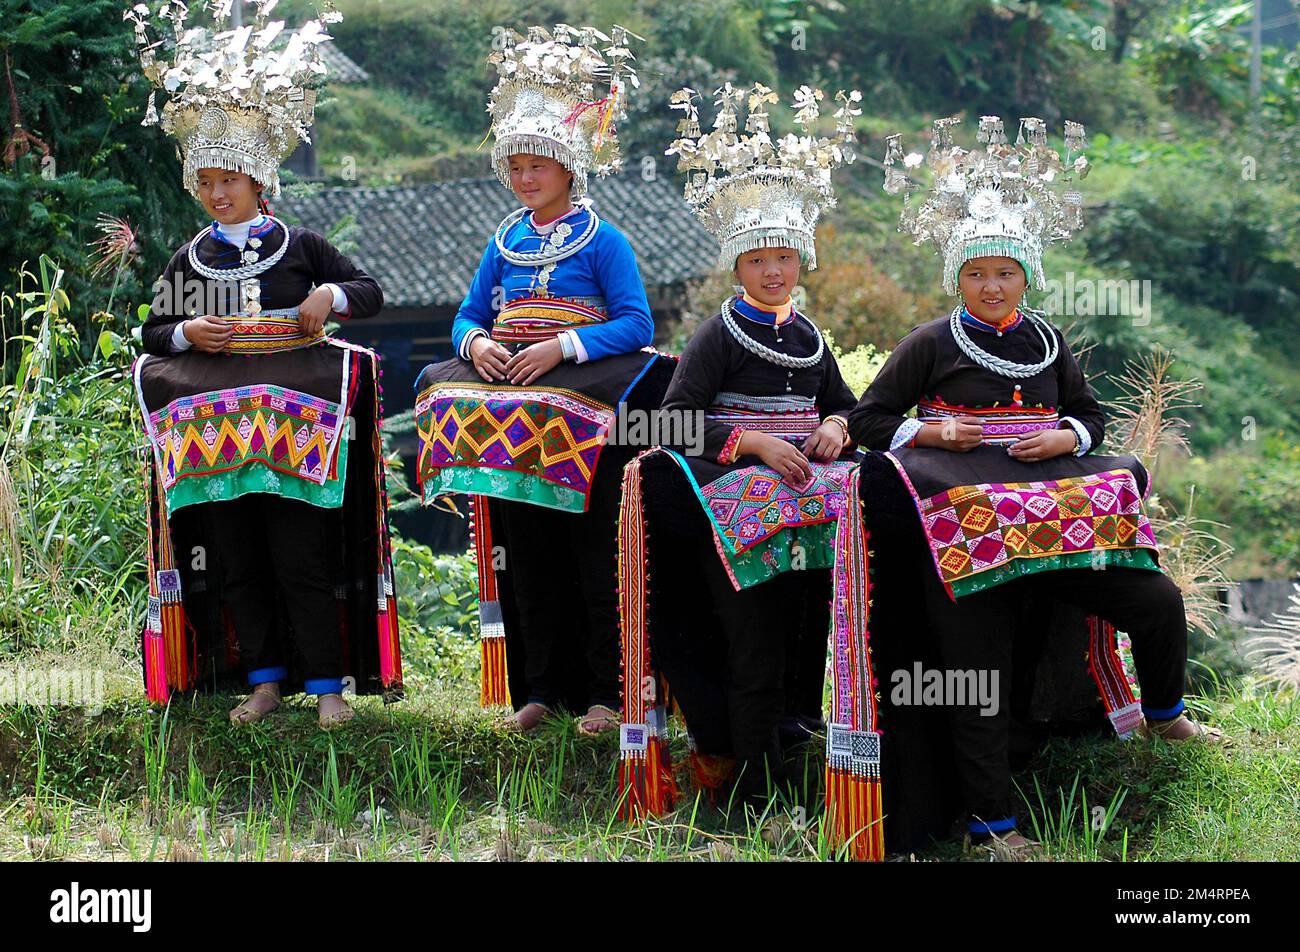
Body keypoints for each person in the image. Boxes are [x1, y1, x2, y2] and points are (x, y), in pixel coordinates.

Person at [836, 116, 1221, 859]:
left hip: (1053, 523)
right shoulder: (931, 343)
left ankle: (1165, 712)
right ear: (957, 277)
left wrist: (1067, 438)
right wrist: (937, 434)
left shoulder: (1045, 341)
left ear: (1026, 276)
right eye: (976, 273)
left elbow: (1090, 415)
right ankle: (993, 828)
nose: (990, 286)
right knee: (978, 675)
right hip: (962, 539)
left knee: (1155, 598)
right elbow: (869, 419)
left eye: (1004, 273)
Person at [127, 3, 402, 728]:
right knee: (237, 557)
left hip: (294, 433)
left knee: (301, 556)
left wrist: (328, 295)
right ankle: (264, 680)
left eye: (230, 180)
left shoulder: (303, 247)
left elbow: (371, 293)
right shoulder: (193, 257)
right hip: (219, 435)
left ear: (258, 178)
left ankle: (328, 684)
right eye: (207, 182)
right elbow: (154, 332)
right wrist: (190, 331)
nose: (218, 194)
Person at [413, 25, 674, 734]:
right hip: (516, 421)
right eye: (517, 167)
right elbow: (467, 314)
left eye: (540, 165)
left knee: (594, 558)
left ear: (568, 167)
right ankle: (539, 689)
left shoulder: (605, 239)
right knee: (526, 553)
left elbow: (635, 325)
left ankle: (606, 693)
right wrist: (480, 344)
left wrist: (560, 345)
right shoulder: (505, 241)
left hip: (586, 418)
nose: (526, 178)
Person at [616, 84, 862, 814]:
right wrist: (752, 441)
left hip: (804, 498)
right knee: (753, 634)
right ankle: (754, 782)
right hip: (732, 504)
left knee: (804, 619)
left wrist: (836, 431)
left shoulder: (809, 336)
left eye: (784, 258)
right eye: (758, 260)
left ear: (801, 260)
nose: (774, 272)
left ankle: (799, 738)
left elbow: (845, 406)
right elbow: (670, 421)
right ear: (737, 266)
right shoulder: (719, 335)